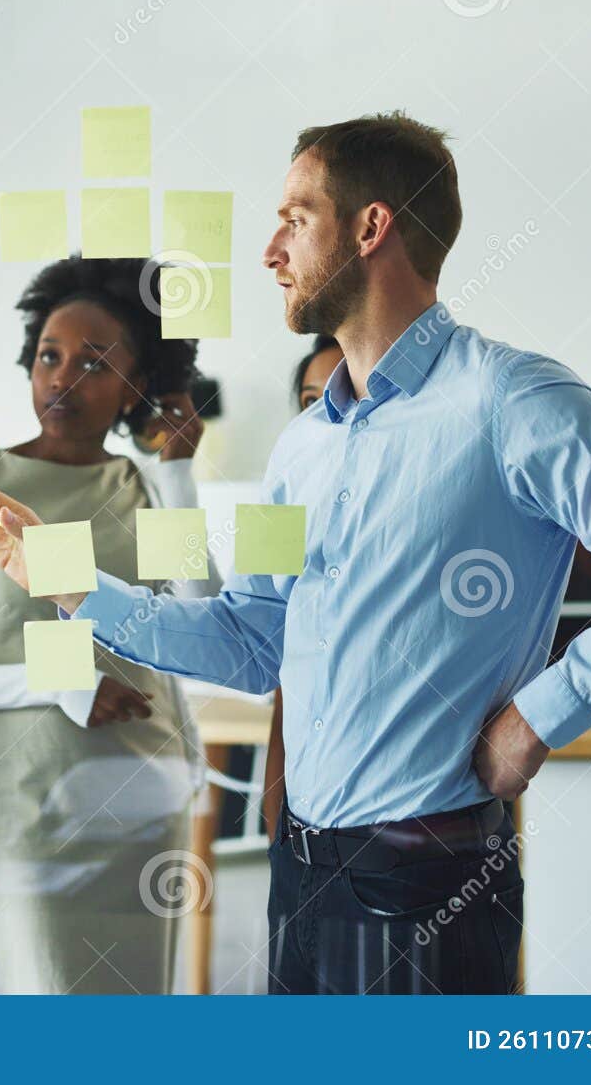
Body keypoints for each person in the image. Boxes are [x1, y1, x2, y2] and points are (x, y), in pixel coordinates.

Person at [0, 112, 591, 996]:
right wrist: (64, 579)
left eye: (295, 217)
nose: (269, 250)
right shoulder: (303, 449)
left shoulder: (510, 399)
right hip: (303, 870)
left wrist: (540, 716)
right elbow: (251, 641)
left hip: (424, 874)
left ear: (371, 229)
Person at [0, 257, 217, 994]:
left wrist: (176, 471)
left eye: (95, 362)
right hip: (26, 807)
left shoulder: (146, 490)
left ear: (138, 387)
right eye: (49, 355)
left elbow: (207, 626)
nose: (63, 379)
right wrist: (62, 681)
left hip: (147, 797)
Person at [263, 334, 341, 838]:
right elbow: (252, 621)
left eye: (337, 394)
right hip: (293, 720)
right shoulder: (282, 487)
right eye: (310, 400)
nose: (325, 414)